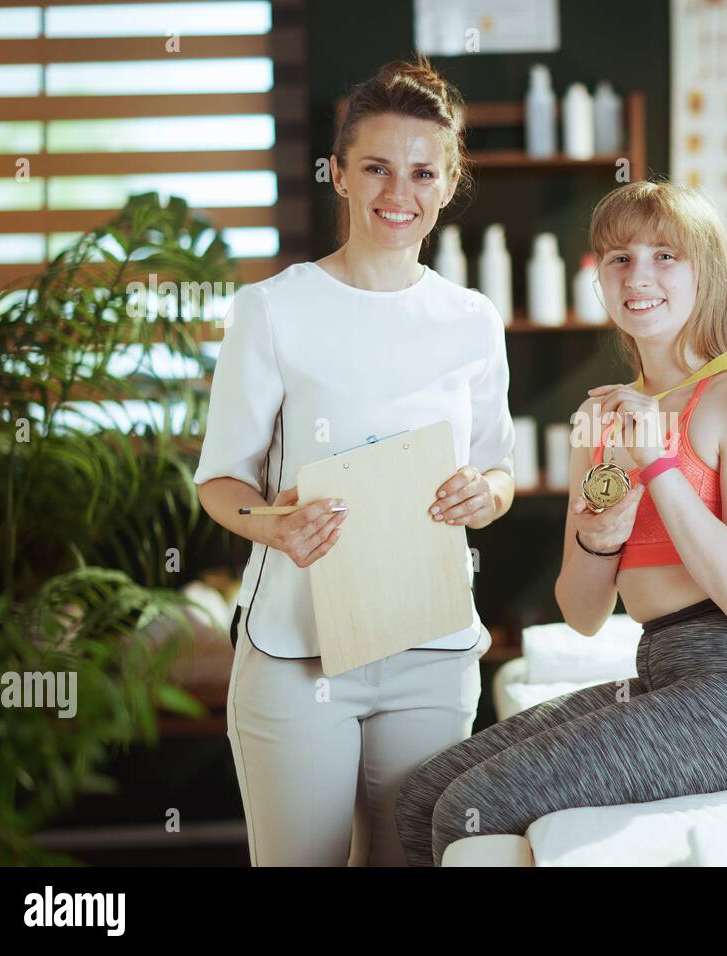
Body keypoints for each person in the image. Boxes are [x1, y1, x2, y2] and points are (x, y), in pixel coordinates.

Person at [395, 179, 727, 866]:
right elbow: (583, 612)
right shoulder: (601, 420)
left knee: (467, 810)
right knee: (422, 797)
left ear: (705, 273)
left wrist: (657, 464)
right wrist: (602, 535)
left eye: (665, 256)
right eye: (619, 258)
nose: (639, 276)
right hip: (663, 670)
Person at [193, 57, 515, 866]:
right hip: (296, 651)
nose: (396, 192)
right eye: (375, 167)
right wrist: (276, 526)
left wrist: (486, 494)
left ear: (447, 186)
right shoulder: (273, 309)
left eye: (421, 173)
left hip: (431, 652)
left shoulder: (471, 319)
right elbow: (221, 483)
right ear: (338, 174)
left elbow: (498, 469)